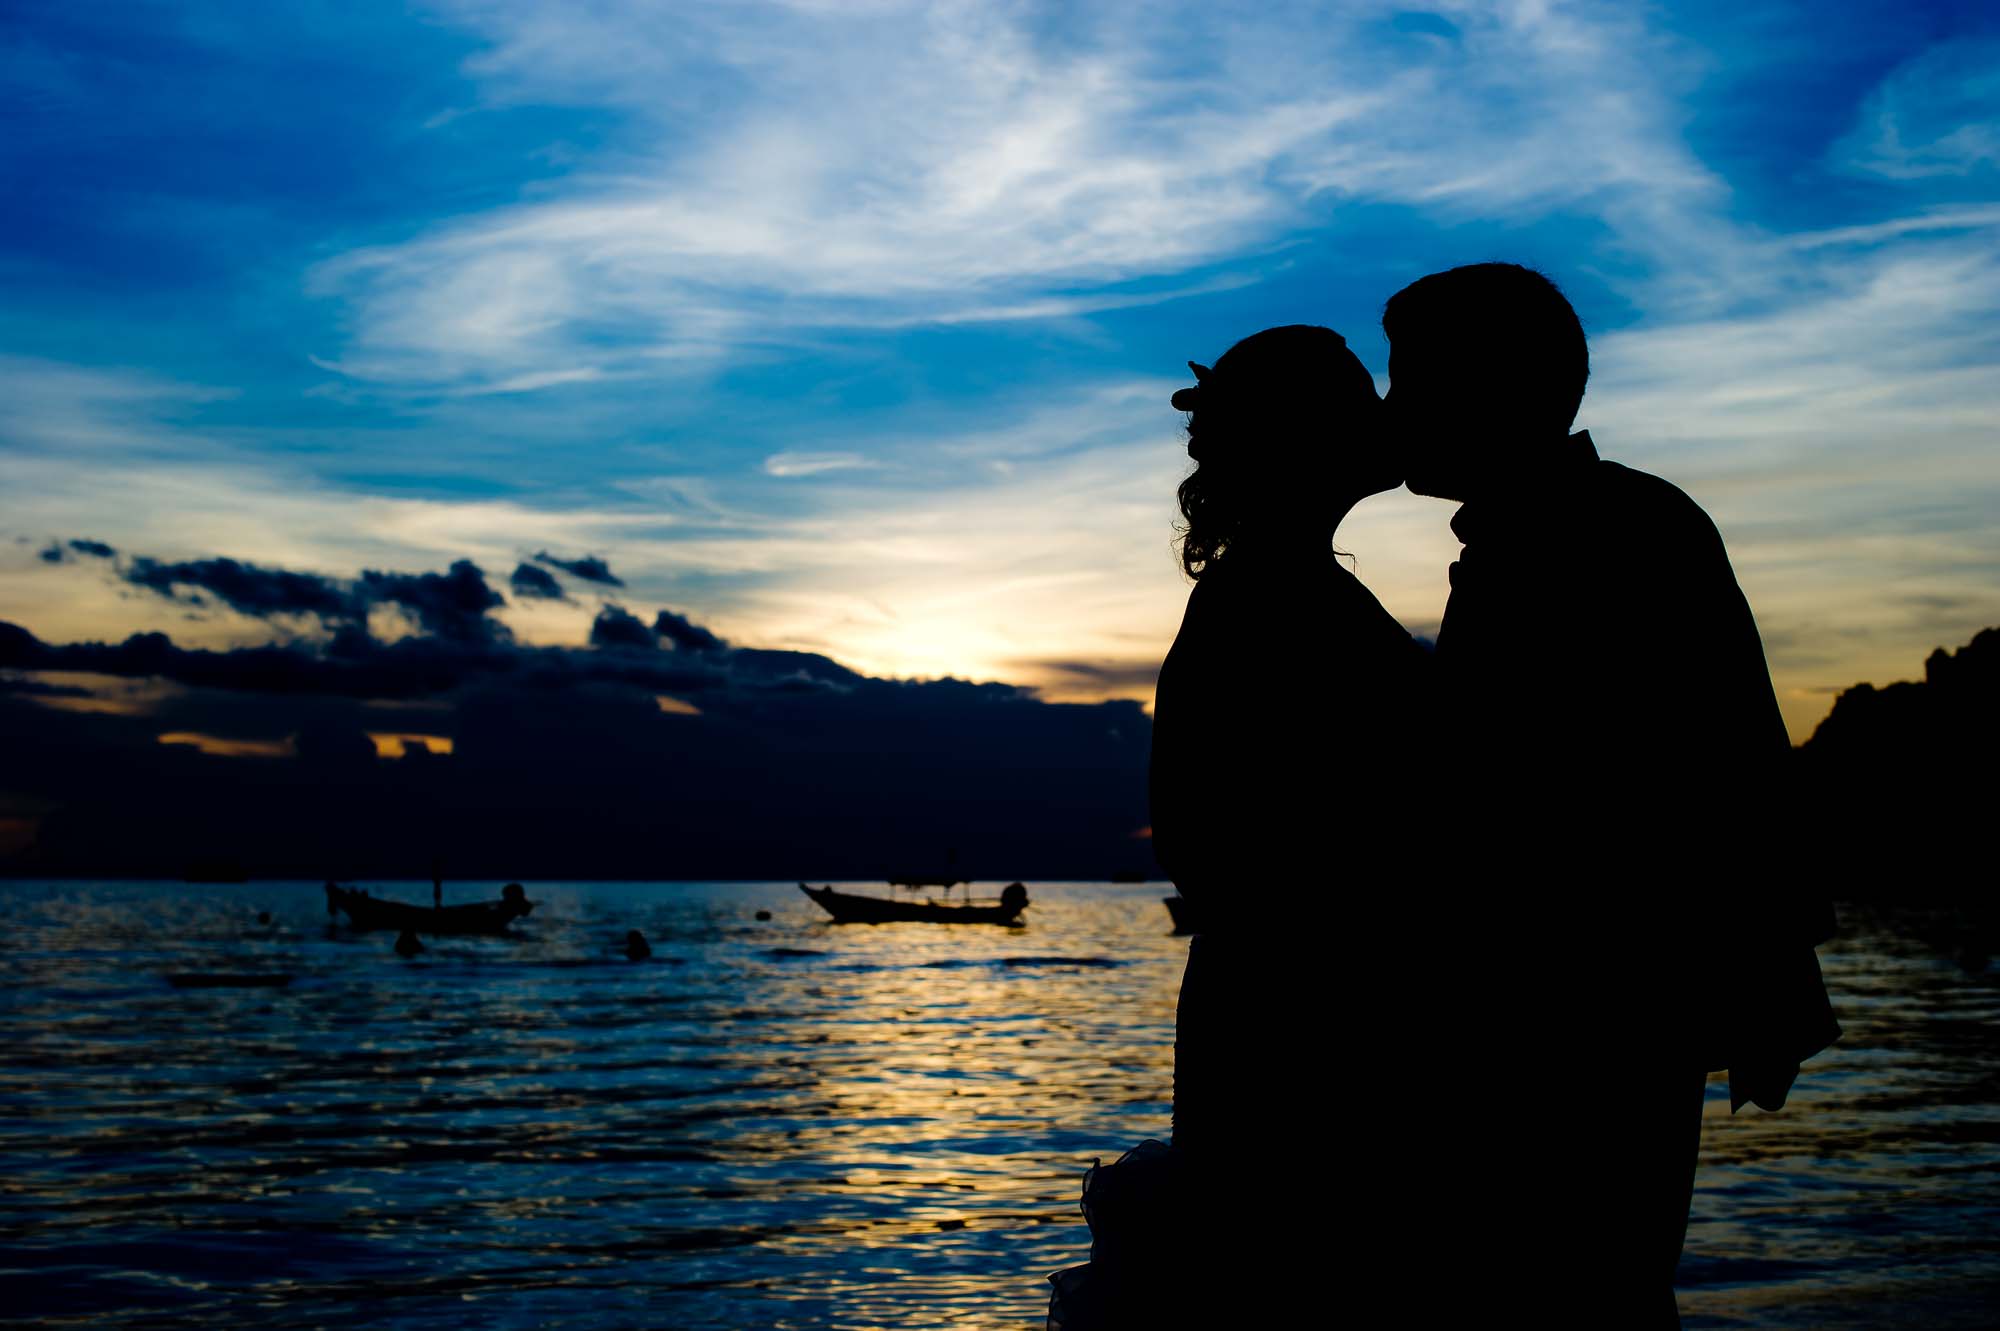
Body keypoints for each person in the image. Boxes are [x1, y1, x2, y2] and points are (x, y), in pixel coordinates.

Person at [1381, 262, 1838, 1325]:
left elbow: (1730, 758)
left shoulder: (1608, 530)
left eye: (1410, 382)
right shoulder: (1567, 526)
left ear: (1486, 390)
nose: (1393, 409)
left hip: (1586, 1007)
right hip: (1570, 1005)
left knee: (1579, 1285)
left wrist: (1766, 978)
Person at [1051, 325, 1430, 1327]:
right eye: (1357, 405)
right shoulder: (1266, 595)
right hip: (1298, 1022)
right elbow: (1195, 831)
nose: (1385, 419)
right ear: (1308, 441)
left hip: (1296, 1004)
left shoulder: (1283, 586)